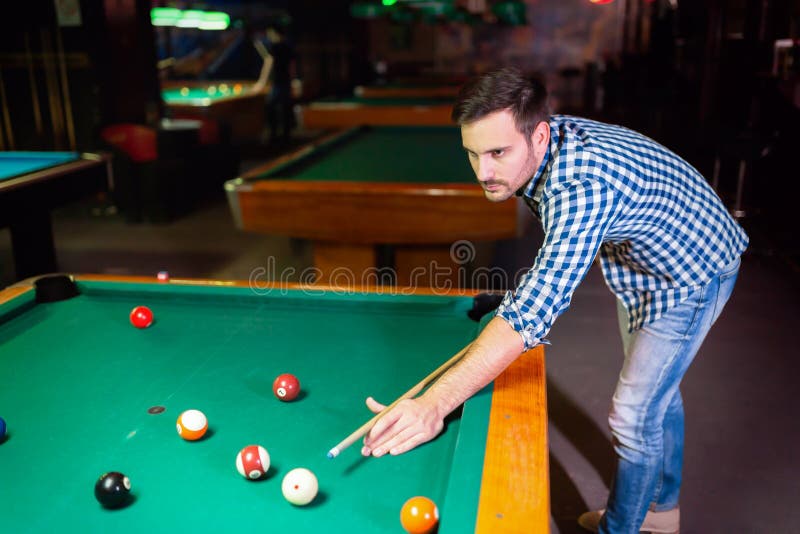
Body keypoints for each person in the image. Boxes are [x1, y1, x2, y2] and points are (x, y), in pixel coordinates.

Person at [360, 67, 748, 534]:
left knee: (634, 412)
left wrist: (434, 403)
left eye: (498, 153)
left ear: (539, 136)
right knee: (656, 396)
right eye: (472, 153)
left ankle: (625, 527)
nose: (484, 172)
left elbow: (531, 315)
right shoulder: (541, 138)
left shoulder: (581, 186)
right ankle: (662, 511)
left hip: (693, 267)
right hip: (641, 259)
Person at [253, 25, 296, 144]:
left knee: (270, 107)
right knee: (285, 108)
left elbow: (268, 64)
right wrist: (293, 82)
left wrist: (261, 83)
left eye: (270, 33)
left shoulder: (275, 47)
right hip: (286, 82)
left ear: (276, 33)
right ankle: (286, 136)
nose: (269, 36)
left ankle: (274, 135)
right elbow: (292, 66)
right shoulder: (288, 46)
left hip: (277, 83)